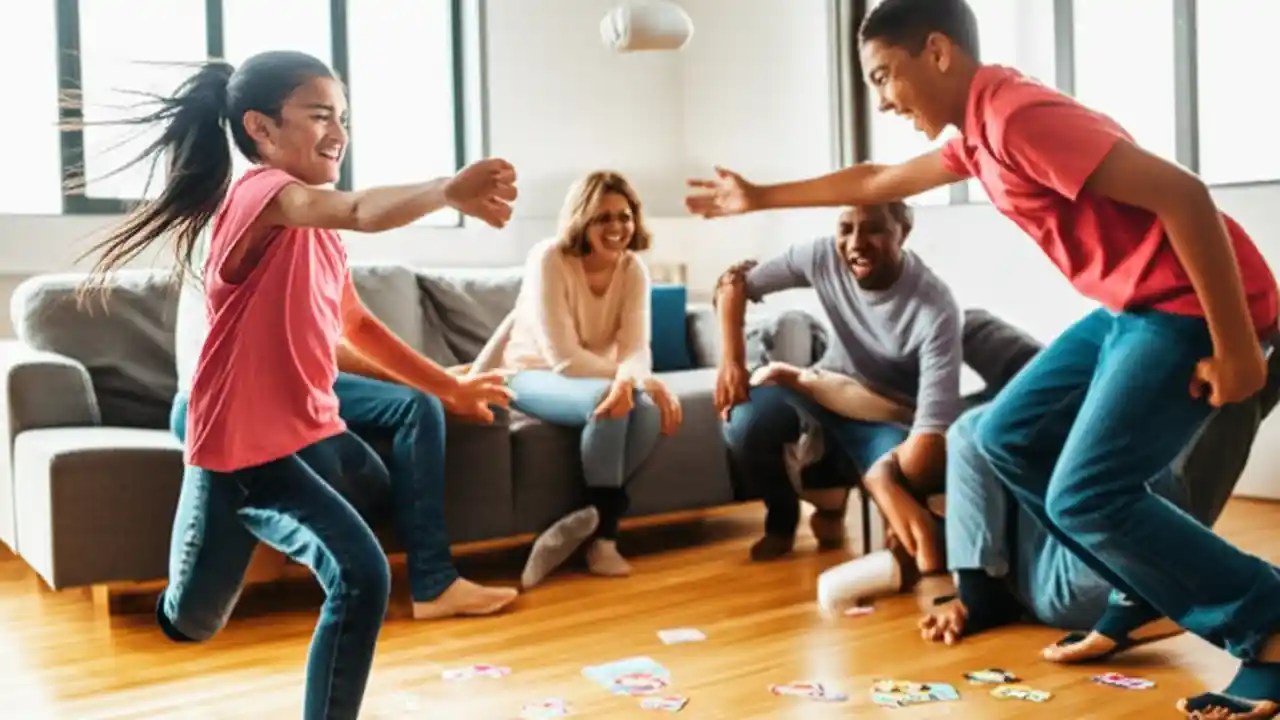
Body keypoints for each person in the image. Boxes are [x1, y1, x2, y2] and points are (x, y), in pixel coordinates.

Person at [685, 0, 1280, 715]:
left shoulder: (1017, 117)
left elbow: (1183, 195)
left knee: (1084, 496)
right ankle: (1139, 591)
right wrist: (758, 197)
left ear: (937, 52)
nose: (882, 99)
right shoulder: (978, 134)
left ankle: (1267, 622)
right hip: (1132, 305)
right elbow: (875, 180)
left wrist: (1237, 347)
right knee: (1003, 437)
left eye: (884, 76)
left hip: (1187, 307)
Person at [76, 51, 516, 720]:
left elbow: (356, 326)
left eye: (343, 117)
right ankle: (213, 556)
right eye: (319, 116)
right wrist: (444, 191)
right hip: (240, 447)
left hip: (303, 434)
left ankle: (276, 521)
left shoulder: (320, 235)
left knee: (363, 548)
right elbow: (361, 208)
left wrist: (447, 389)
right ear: (261, 128)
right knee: (192, 621)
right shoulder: (261, 196)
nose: (338, 132)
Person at [169, 233, 521, 622]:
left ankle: (434, 584)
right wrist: (440, 382)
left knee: (413, 415)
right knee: (401, 421)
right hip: (226, 400)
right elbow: (320, 344)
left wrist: (438, 382)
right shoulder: (251, 232)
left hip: (295, 386)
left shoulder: (320, 236)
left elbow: (340, 333)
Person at [907, 312, 1280, 666]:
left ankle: (980, 593)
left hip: (1045, 551)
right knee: (978, 432)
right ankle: (982, 595)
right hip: (1056, 580)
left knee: (980, 430)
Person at [715, 202, 961, 568]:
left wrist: (893, 481)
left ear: (903, 232)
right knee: (744, 418)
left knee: (912, 503)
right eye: (846, 228)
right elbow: (733, 285)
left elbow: (929, 434)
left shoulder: (935, 308)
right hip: (822, 392)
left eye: (874, 229)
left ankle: (832, 498)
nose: (856, 243)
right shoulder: (822, 256)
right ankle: (783, 517)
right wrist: (732, 361)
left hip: (884, 418)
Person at [471, 171, 684, 588]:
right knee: (613, 398)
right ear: (581, 220)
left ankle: (586, 527)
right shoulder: (549, 259)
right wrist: (638, 380)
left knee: (642, 410)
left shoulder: (633, 269)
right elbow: (564, 359)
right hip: (528, 373)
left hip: (592, 377)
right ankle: (604, 536)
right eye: (603, 218)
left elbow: (636, 349)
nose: (617, 227)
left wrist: (636, 379)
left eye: (624, 216)